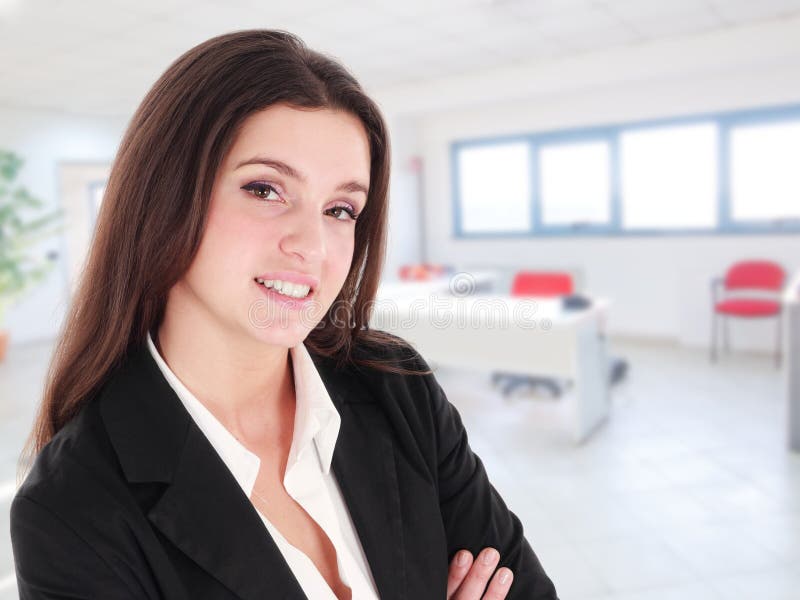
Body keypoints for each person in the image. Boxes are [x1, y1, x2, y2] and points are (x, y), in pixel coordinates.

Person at [10, 30, 559, 600]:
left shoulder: (397, 386)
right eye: (265, 189)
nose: (313, 245)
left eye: (341, 209)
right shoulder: (73, 511)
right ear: (163, 198)